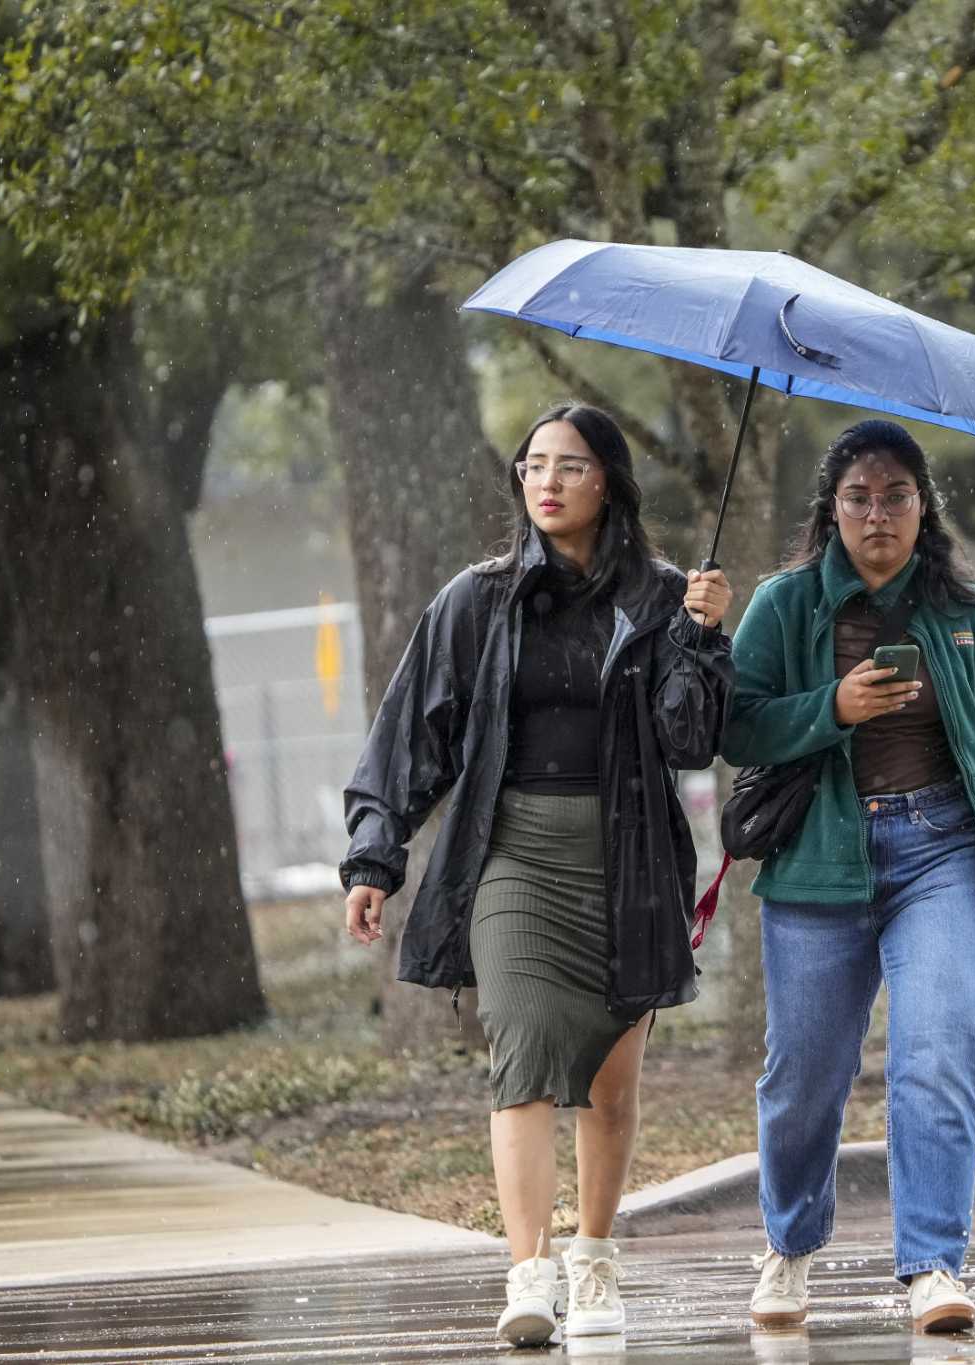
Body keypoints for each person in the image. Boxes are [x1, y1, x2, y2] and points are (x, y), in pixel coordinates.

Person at [339, 402, 734, 1347]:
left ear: (609, 483)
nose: (546, 481)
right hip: (510, 847)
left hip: (628, 852)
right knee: (516, 1049)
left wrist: (704, 638)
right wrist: (374, 852)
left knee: (609, 1080)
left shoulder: (664, 596)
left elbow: (690, 740)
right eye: (532, 465)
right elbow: (410, 736)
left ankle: (594, 1260)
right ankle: (527, 1270)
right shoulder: (475, 600)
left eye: (570, 466)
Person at [720, 419, 975, 1335]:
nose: (878, 514)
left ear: (922, 508)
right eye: (858, 496)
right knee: (804, 1077)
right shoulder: (784, 606)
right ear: (832, 510)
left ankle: (933, 1265)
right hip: (819, 859)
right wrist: (834, 706)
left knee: (934, 1053)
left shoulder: (967, 612)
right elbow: (734, 726)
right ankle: (787, 1245)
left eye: (897, 495)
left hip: (943, 853)